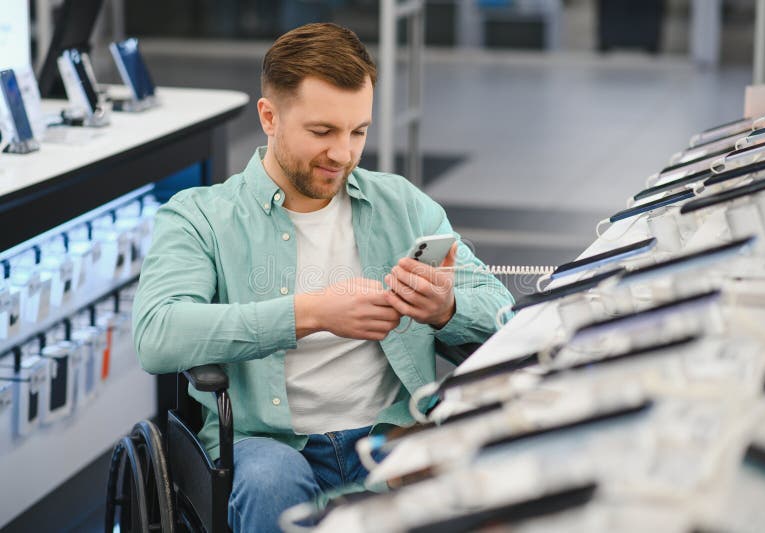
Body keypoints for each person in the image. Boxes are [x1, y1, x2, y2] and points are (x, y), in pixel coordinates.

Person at [133, 22, 514, 532]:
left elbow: (501, 313)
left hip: (391, 428)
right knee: (272, 485)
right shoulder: (200, 216)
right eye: (322, 132)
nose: (344, 154)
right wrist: (310, 314)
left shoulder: (401, 204)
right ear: (269, 117)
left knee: (476, 470)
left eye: (358, 131)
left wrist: (445, 309)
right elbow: (158, 334)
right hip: (266, 442)